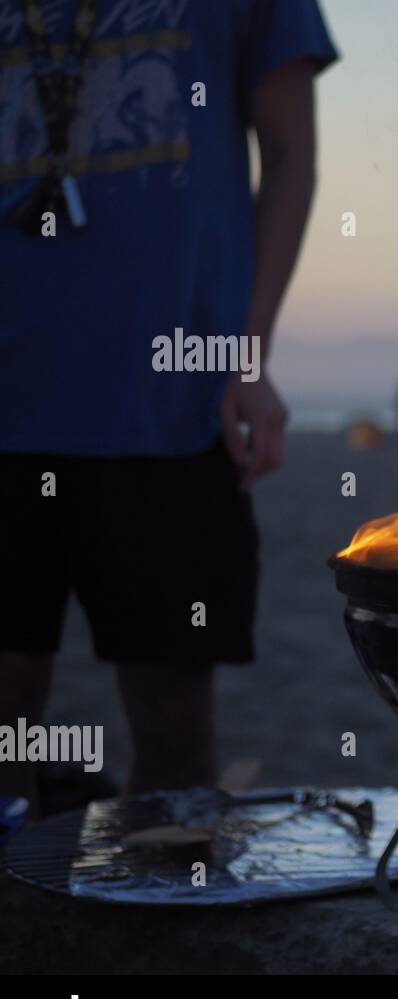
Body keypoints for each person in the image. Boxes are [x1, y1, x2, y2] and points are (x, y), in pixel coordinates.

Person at [0, 0, 338, 815]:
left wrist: (246, 355)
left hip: (173, 395)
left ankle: (165, 928)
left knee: (172, 721)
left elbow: (290, 155)